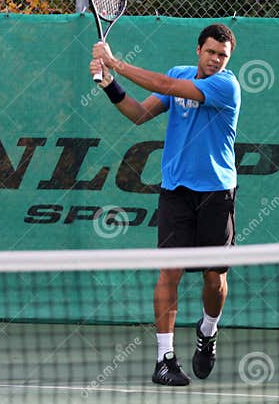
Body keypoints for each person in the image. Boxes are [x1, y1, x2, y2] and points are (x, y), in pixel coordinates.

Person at [90, 23, 240, 386]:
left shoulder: (226, 86)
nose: (216, 60)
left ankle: (207, 329)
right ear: (198, 50)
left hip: (216, 192)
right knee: (169, 272)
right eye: (210, 52)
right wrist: (110, 84)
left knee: (213, 278)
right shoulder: (180, 73)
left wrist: (117, 63)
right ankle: (164, 359)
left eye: (223, 55)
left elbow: (167, 87)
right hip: (175, 190)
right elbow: (140, 114)